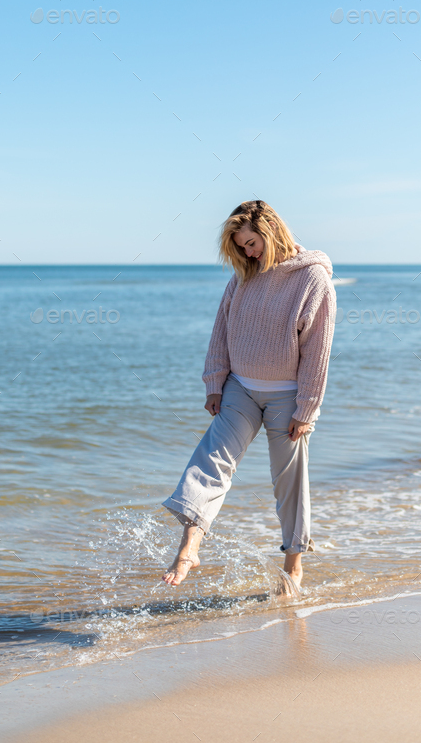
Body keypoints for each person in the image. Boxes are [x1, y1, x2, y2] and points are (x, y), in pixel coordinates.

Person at [162, 199, 336, 591]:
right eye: (241, 247)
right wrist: (214, 382)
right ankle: (190, 546)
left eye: (251, 243)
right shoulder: (243, 277)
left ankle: (293, 565)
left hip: (287, 396)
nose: (248, 252)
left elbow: (317, 350)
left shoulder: (313, 279)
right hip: (239, 388)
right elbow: (221, 331)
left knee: (290, 482)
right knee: (210, 459)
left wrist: (307, 408)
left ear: (271, 231)